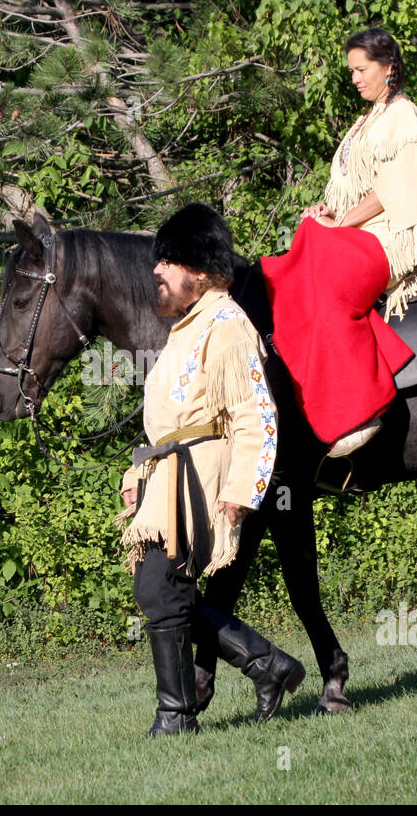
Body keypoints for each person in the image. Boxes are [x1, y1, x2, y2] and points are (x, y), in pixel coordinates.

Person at [117, 202, 304, 736]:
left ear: (198, 269)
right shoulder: (183, 328)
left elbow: (256, 412)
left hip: (204, 477)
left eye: (169, 261)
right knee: (163, 592)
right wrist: (138, 481)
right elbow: (167, 426)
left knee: (161, 590)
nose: (157, 270)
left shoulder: (227, 324)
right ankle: (268, 666)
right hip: (170, 477)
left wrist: (244, 488)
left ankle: (178, 716)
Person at [262, 28, 417, 459]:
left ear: (388, 67)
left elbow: (393, 189)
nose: (354, 78)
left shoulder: (402, 117)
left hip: (388, 239)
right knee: (295, 260)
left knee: (329, 285)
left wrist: (342, 225)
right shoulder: (364, 121)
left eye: (361, 69)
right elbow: (352, 192)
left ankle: (359, 410)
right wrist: (329, 213)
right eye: (351, 70)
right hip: (359, 233)